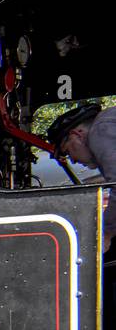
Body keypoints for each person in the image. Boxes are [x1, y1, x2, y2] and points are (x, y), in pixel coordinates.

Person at [47, 101, 116, 247]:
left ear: (76, 135)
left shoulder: (100, 131)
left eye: (67, 151)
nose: (73, 160)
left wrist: (105, 233)